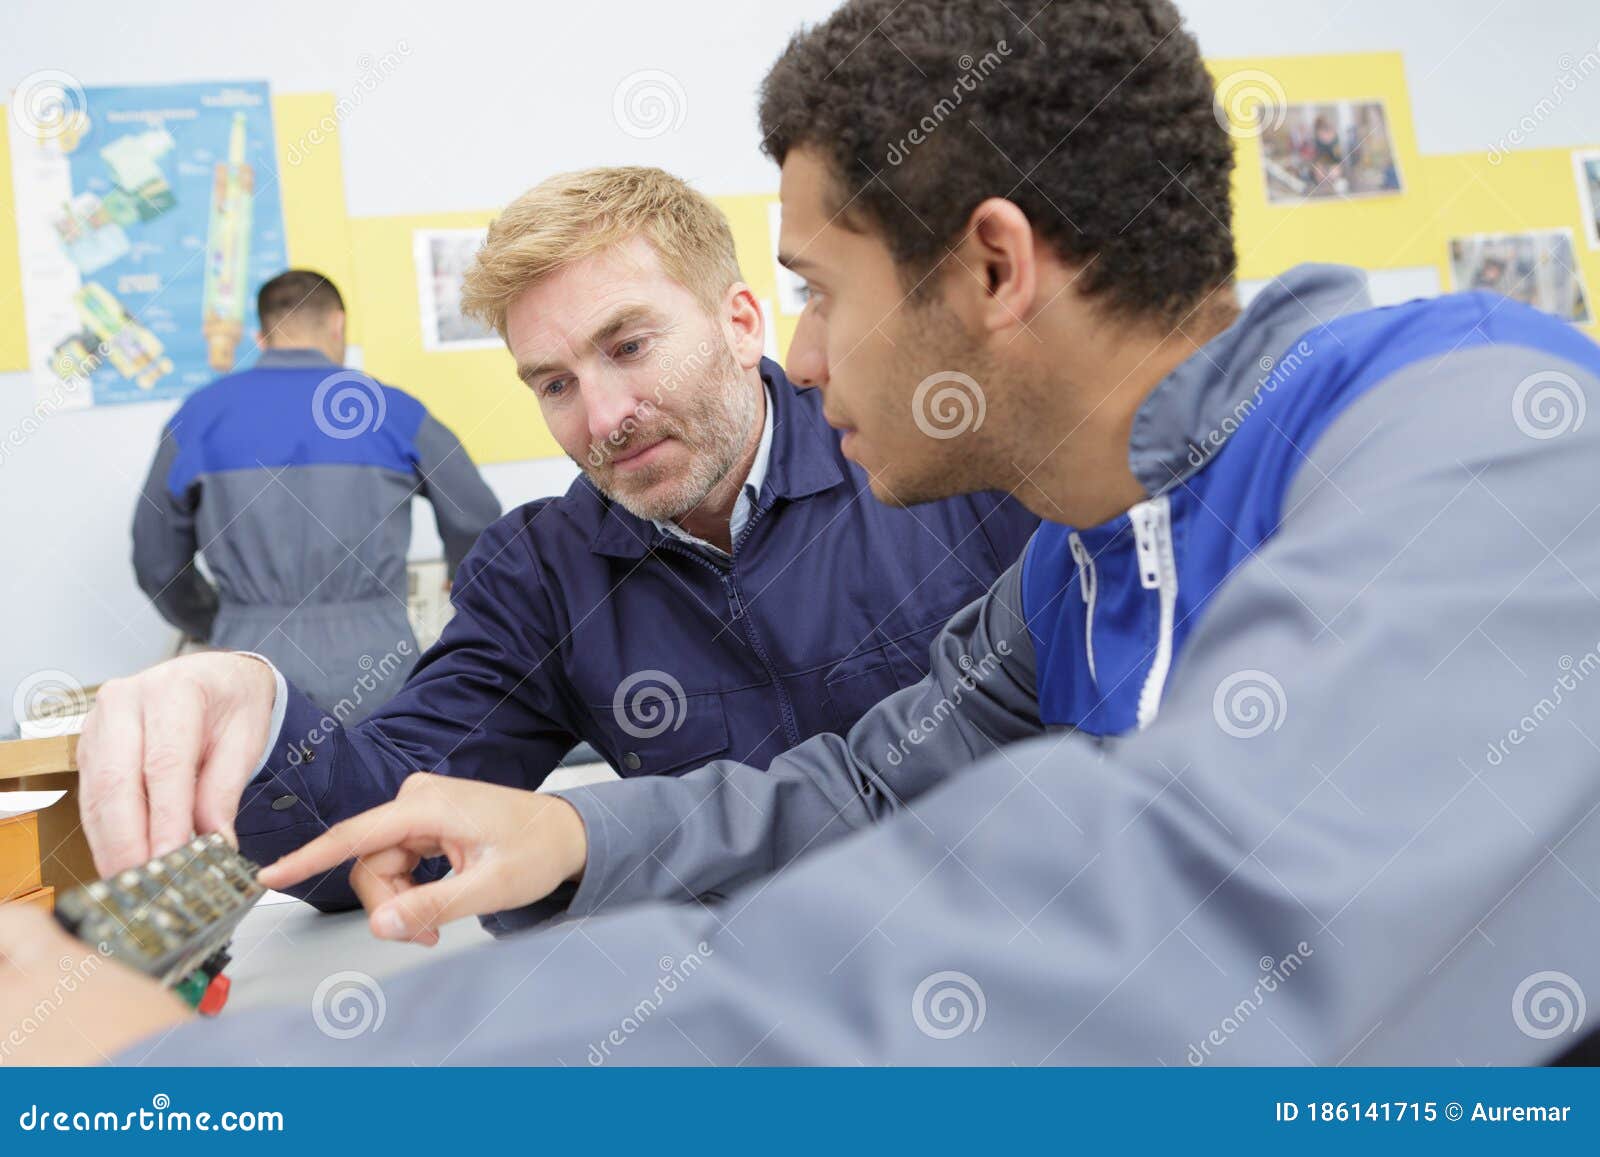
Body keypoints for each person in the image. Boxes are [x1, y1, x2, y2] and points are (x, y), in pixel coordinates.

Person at [9, 0, 1599, 1065]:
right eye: (551, 380)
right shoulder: (1079, 556)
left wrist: (211, 1082)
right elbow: (857, 794)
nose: (812, 359)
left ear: (991, 270)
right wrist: (574, 835)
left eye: (821, 293)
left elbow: (1164, 928)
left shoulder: (1477, 431)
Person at [90, 167, 1039, 907]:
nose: (603, 417)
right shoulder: (543, 574)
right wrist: (260, 715)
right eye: (553, 383)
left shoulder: (941, 468)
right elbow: (380, 838)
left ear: (740, 320)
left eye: (629, 345)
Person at [131, 270, 501, 719]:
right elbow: (476, 518)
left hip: (250, 662)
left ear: (260, 336)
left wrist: (219, 619)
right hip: (374, 661)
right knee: (384, 783)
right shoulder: (390, 409)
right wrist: (461, 579)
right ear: (338, 325)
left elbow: (156, 562)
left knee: (263, 788)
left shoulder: (198, 417)